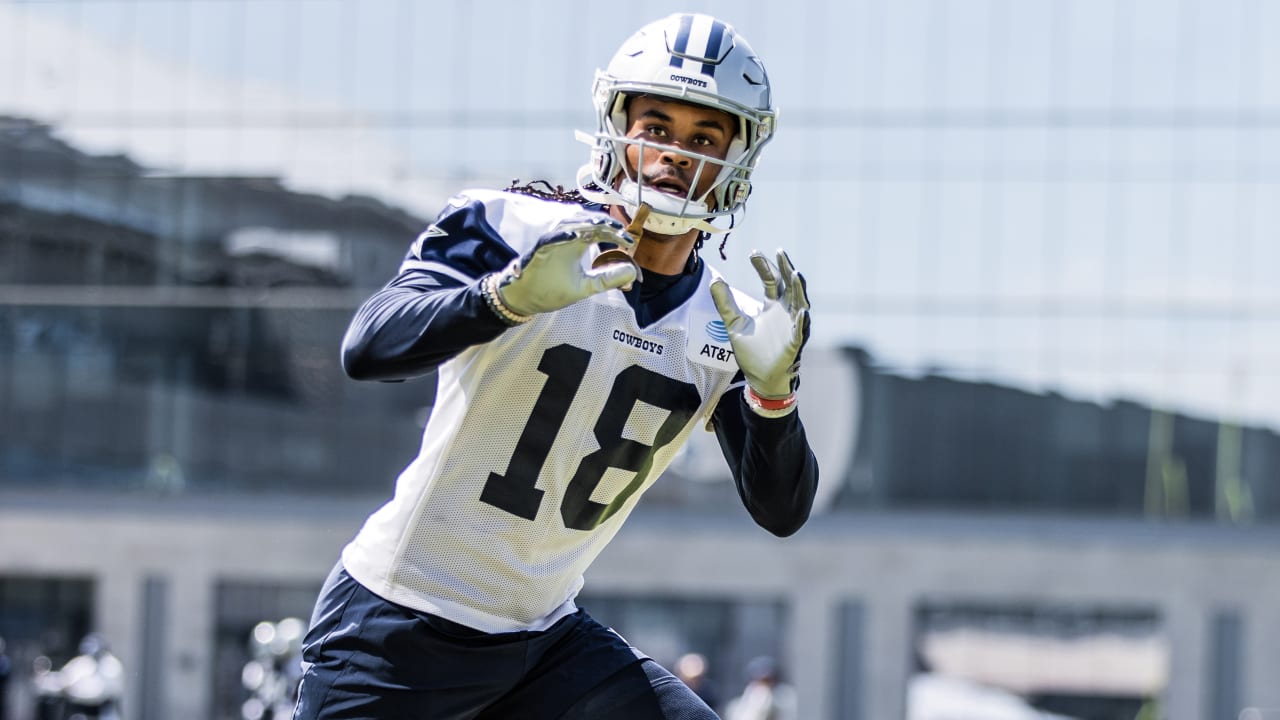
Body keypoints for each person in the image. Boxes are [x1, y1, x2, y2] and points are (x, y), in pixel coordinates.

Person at [293, 12, 818, 720]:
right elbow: (369, 348)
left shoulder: (728, 320)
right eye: (657, 128)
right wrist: (502, 299)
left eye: (702, 139)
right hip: (399, 627)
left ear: (736, 160)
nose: (673, 156)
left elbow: (781, 511)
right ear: (618, 128)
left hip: (544, 646)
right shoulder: (515, 230)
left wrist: (773, 393)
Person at [723, 656, 796, 720]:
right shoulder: (744, 699)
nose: (763, 684)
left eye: (767, 680)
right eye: (759, 680)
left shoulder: (784, 696)